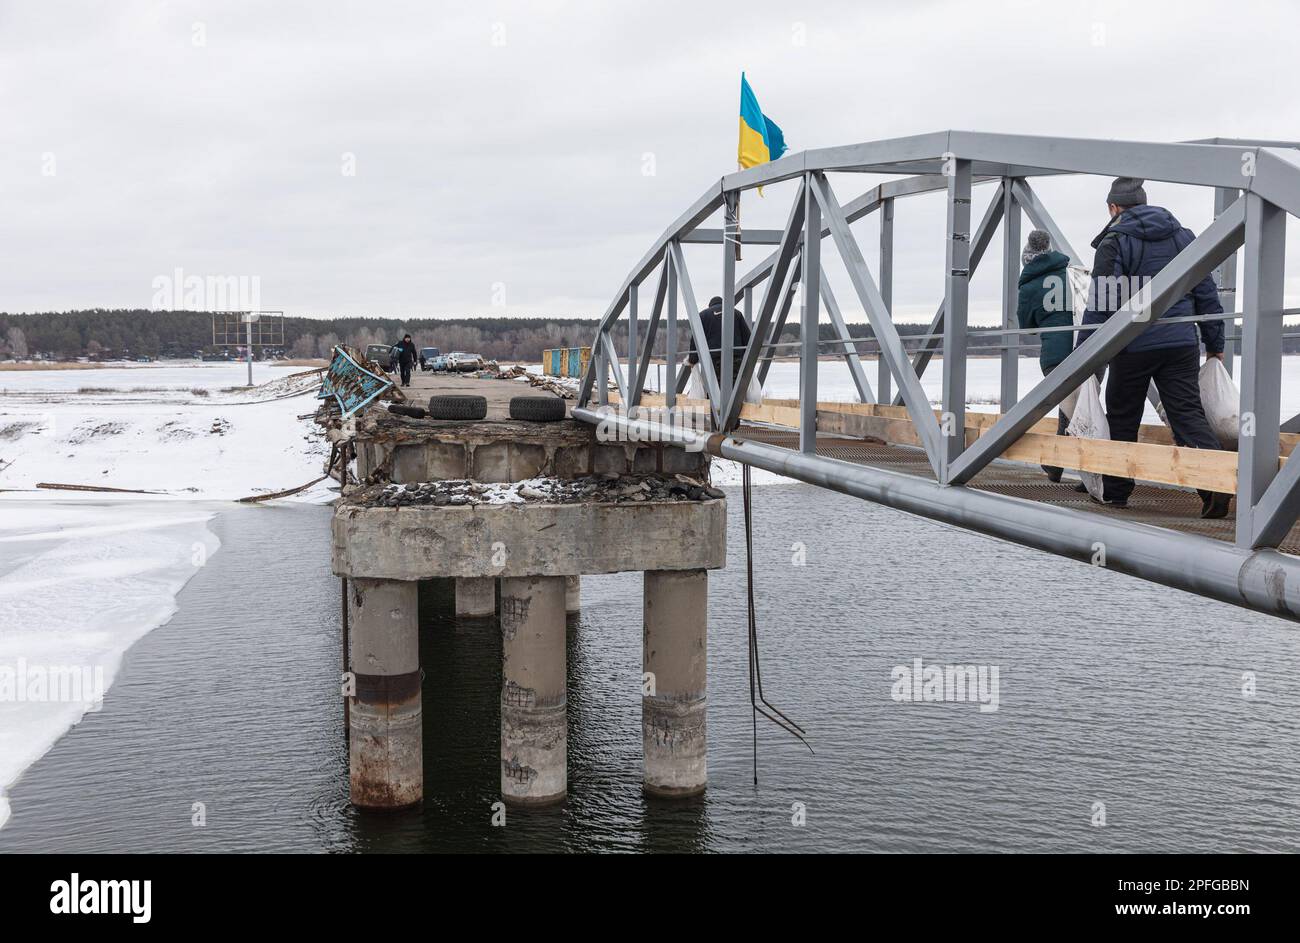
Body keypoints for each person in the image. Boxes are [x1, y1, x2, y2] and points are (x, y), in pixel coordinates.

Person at [1078, 177, 1230, 518]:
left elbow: (1102, 303)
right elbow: (1206, 293)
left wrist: (1083, 356)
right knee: (1187, 415)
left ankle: (1116, 492)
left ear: (1114, 208)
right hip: (1180, 342)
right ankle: (1216, 484)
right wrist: (1215, 343)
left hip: (1133, 346)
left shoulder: (1114, 241)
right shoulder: (1183, 237)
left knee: (1123, 416)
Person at [1016, 230, 1073, 482]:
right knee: (1075, 409)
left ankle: (1062, 463)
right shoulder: (1070, 272)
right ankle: (1056, 463)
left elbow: (1027, 327)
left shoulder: (1028, 285)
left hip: (1056, 355)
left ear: (1027, 259)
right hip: (1092, 347)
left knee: (1073, 410)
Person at [686, 296, 753, 401]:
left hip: (713, 358)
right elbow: (747, 338)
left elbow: (695, 339)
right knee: (734, 388)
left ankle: (716, 415)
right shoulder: (736, 313)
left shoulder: (703, 315)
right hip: (735, 357)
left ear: (710, 305)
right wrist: (748, 356)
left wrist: (692, 359)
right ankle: (734, 413)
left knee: (714, 388)